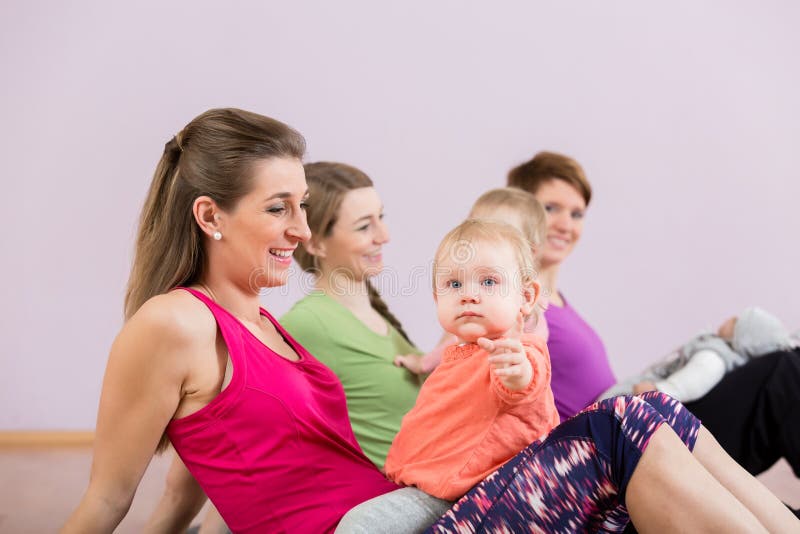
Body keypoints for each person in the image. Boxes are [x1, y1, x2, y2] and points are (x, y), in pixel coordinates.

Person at [62, 109, 799, 533]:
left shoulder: (267, 327)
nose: (298, 228)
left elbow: (193, 480)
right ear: (209, 217)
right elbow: (109, 497)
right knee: (621, 428)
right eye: (278, 207)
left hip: (413, 516)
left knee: (649, 409)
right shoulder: (172, 325)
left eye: (300, 205)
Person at [507, 150, 800, 481]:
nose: (566, 224)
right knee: (785, 372)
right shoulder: (513, 302)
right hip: (607, 458)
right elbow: (463, 352)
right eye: (551, 208)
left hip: (634, 429)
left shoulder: (560, 306)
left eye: (577, 214)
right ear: (519, 211)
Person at [281, 161, 421, 468]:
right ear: (316, 242)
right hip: (393, 502)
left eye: (380, 218)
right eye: (364, 226)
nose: (383, 236)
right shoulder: (308, 324)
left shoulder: (378, 319)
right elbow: (264, 433)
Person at [394, 187, 549, 376]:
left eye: (499, 233)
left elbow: (533, 365)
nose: (480, 241)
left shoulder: (529, 317)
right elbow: (456, 346)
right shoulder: (470, 306)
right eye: (475, 228)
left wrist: (424, 364)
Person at [600, 306, 798, 402]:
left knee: (608, 407)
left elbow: (688, 385)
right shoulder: (716, 346)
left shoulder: (714, 357)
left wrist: (658, 390)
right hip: (640, 390)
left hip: (642, 395)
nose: (730, 318)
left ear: (742, 337)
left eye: (737, 321)